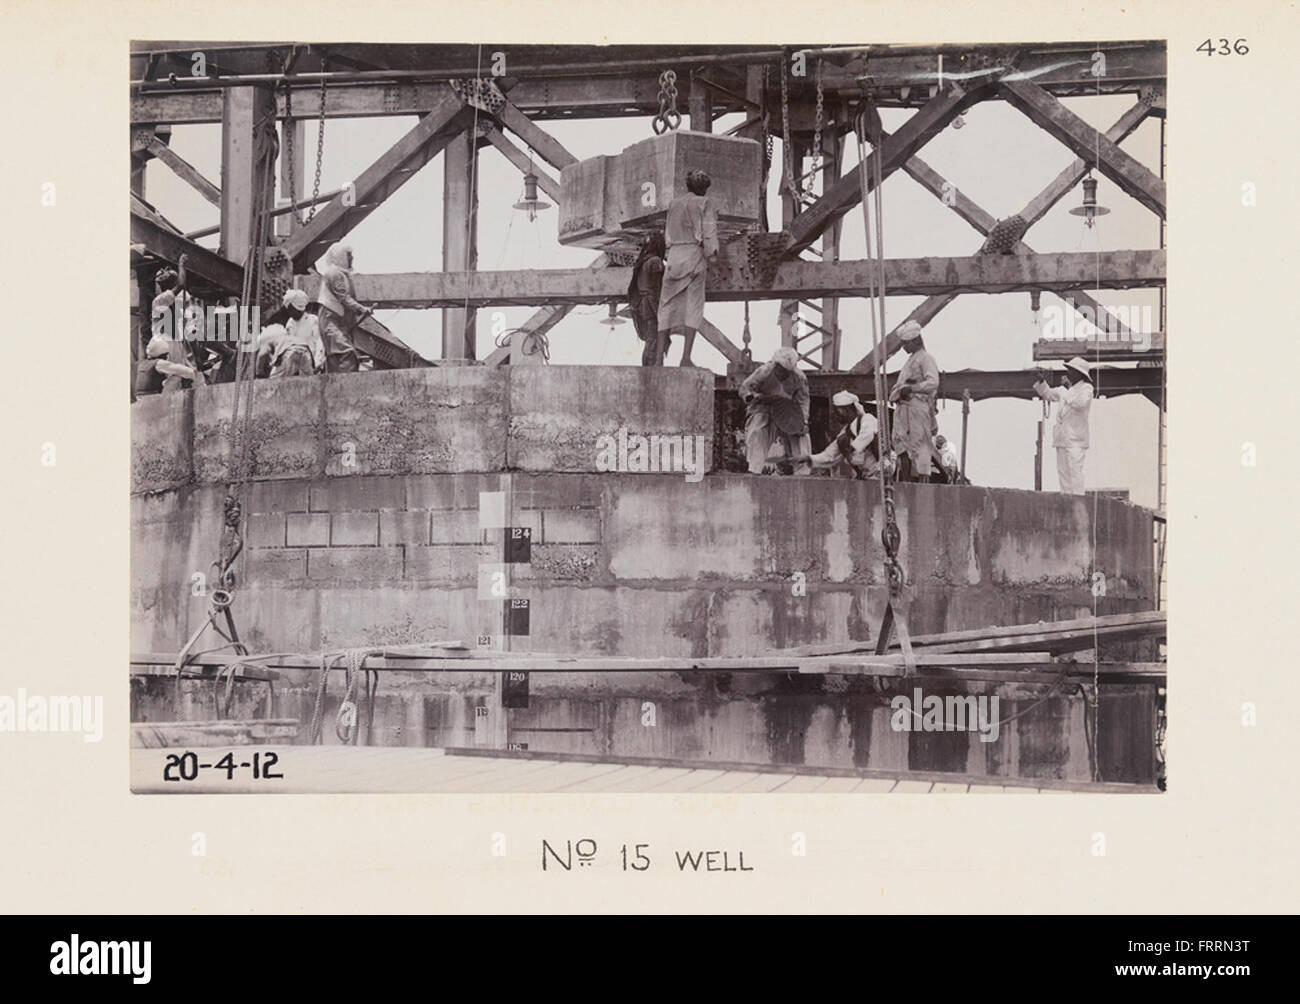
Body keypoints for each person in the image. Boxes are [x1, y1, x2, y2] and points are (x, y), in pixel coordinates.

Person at [657, 170, 719, 367]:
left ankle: (658, 359)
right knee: (693, 308)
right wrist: (713, 255)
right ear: (705, 188)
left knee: (665, 306)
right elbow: (709, 233)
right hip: (694, 256)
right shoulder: (705, 203)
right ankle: (685, 358)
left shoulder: (674, 203)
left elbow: (667, 234)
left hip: (674, 257)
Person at [739, 346, 811, 475]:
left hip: (787, 410)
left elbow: (803, 401)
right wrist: (754, 397)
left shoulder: (799, 378)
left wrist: (803, 421)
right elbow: (745, 388)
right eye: (781, 369)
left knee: (801, 434)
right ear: (775, 364)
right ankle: (754, 469)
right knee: (758, 429)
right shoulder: (764, 371)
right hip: (764, 406)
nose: (784, 373)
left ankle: (802, 472)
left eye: (787, 371)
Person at [1034, 356, 1094, 494]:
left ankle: (1079, 502)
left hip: (1076, 441)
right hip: (1062, 439)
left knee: (1075, 474)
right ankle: (1067, 502)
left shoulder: (1086, 388)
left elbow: (1079, 404)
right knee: (1064, 474)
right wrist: (1042, 381)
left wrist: (1066, 391)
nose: (1068, 373)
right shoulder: (1065, 391)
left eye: (1071, 371)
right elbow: (1047, 394)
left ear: (1079, 374)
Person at [889, 320, 940, 481]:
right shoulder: (910, 360)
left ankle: (921, 484)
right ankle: (906, 483)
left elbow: (933, 382)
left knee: (920, 447)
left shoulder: (925, 358)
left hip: (917, 408)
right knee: (901, 445)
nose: (903, 347)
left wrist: (912, 388)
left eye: (905, 343)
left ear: (914, 341)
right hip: (904, 409)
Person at [314, 242, 373, 373]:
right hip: (331, 320)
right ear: (340, 256)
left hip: (339, 321)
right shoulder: (334, 274)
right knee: (346, 353)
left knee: (337, 357)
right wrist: (361, 309)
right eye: (349, 255)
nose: (352, 258)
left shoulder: (343, 275)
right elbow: (344, 297)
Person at [809, 390, 884, 478]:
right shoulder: (846, 431)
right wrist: (808, 459)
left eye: (838, 411)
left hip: (884, 465)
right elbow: (829, 455)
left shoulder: (867, 418)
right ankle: (860, 474)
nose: (836, 415)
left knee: (867, 438)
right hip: (868, 473)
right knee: (842, 440)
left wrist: (852, 448)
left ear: (847, 409)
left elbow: (868, 435)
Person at [628, 233, 667, 366]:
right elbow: (656, 289)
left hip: (643, 305)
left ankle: (648, 367)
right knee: (654, 339)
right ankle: (651, 369)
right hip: (652, 304)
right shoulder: (656, 261)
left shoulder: (643, 261)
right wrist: (660, 312)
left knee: (650, 340)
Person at [135, 334, 200, 397]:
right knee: (176, 376)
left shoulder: (143, 364)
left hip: (140, 397)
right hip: (152, 397)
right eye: (166, 355)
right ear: (162, 355)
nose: (167, 357)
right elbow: (188, 372)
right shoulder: (159, 363)